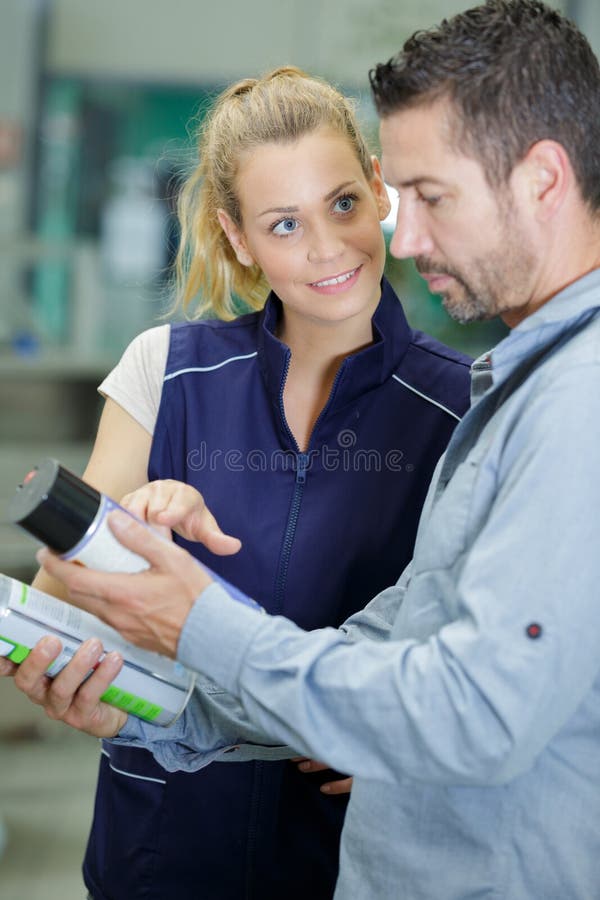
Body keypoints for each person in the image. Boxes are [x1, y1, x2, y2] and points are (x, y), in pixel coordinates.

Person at [2, 68, 472, 900]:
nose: (328, 248)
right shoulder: (166, 371)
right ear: (238, 237)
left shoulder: (464, 405)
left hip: (352, 856)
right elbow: (59, 605)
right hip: (161, 846)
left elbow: (485, 658)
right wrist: (136, 530)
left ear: (377, 188)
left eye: (342, 204)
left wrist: (421, 751)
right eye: (284, 224)